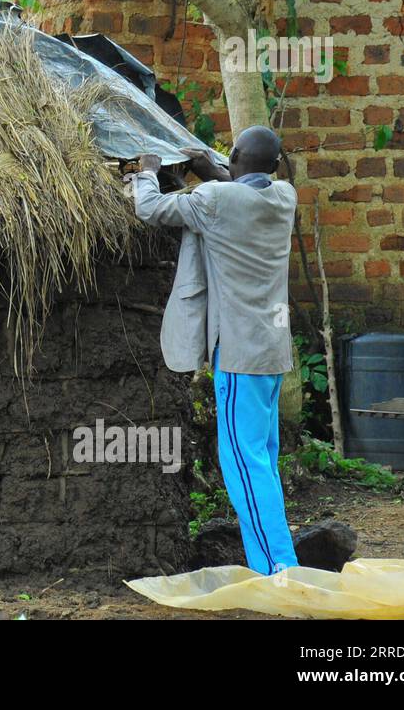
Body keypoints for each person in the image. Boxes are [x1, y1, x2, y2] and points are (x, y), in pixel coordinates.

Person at [129, 127, 300, 576]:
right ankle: (282, 561)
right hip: (272, 352)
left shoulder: (214, 201)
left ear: (237, 157)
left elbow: (150, 209)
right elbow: (244, 184)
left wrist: (146, 172)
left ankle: (278, 570)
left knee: (244, 464)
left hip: (239, 356)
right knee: (261, 457)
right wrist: (214, 170)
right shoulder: (284, 196)